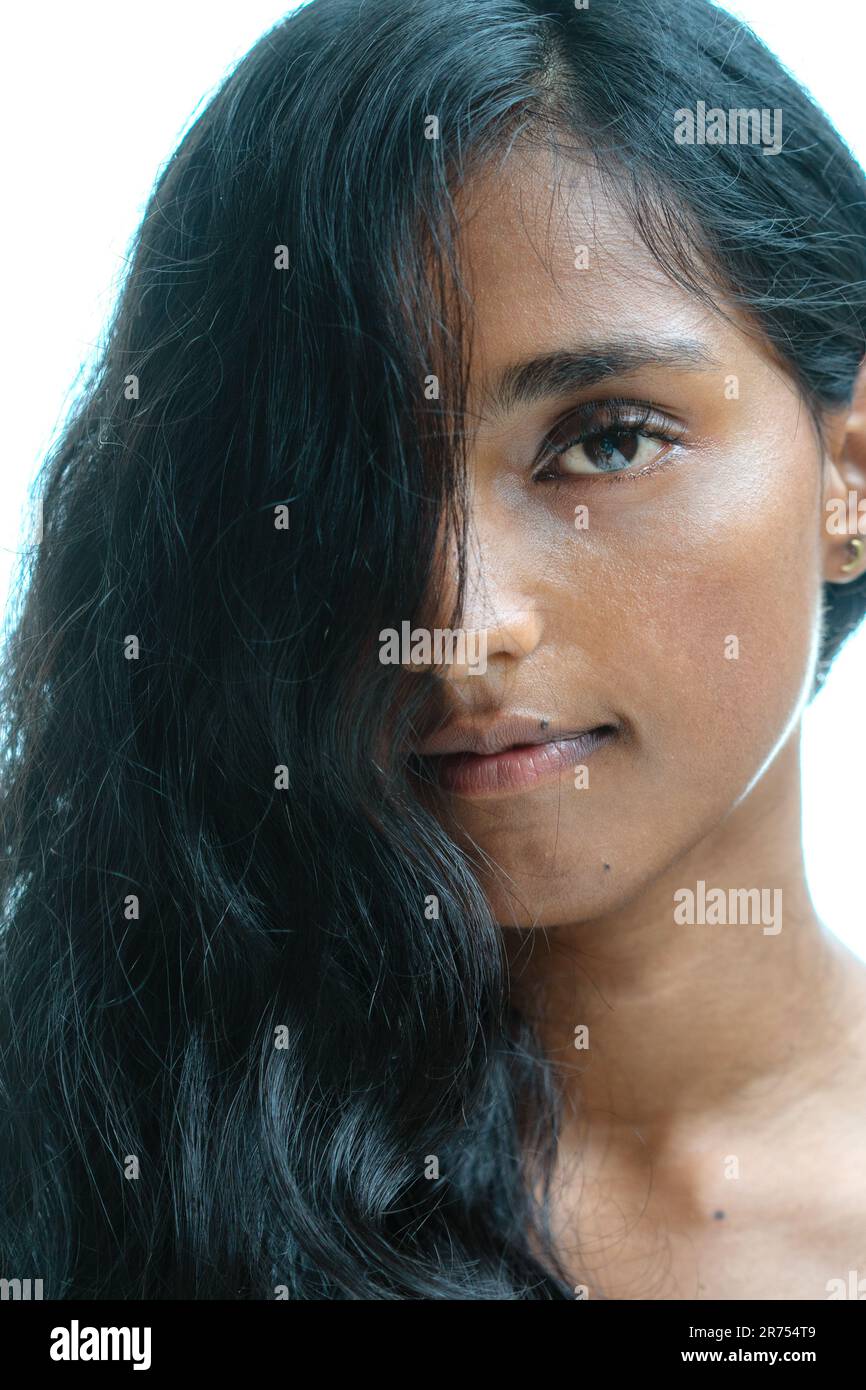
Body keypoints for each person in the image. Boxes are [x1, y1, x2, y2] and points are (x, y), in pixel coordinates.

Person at [2, 0, 866, 1299]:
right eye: (340, 478)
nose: (455, 623)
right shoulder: (84, 1172)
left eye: (608, 438)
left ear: (847, 475)